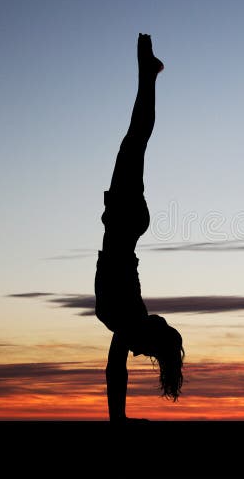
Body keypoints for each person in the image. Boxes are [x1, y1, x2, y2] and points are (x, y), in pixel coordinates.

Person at [94, 33, 184, 422]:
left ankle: (147, 74)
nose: (159, 317)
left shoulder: (130, 323)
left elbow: (116, 368)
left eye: (161, 325)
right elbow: (115, 368)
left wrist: (120, 420)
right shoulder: (129, 321)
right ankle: (146, 74)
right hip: (124, 221)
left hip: (126, 222)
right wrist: (119, 421)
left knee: (136, 139)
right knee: (136, 138)